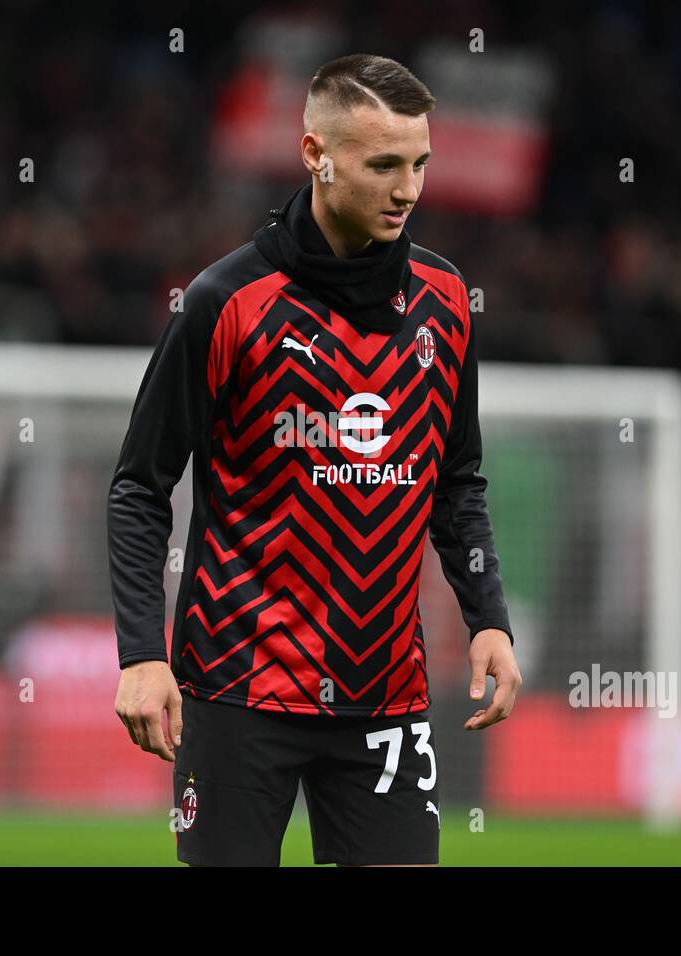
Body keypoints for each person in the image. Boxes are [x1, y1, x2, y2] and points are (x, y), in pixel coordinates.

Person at [107, 53, 521, 867]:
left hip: (386, 692)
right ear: (315, 155)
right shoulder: (223, 305)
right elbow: (138, 489)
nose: (408, 189)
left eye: (420, 164)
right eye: (383, 165)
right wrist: (142, 655)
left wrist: (488, 617)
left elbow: (457, 479)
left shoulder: (446, 303)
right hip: (238, 683)